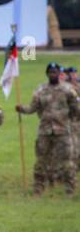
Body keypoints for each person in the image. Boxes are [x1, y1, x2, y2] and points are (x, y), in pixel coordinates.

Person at [16, 62, 80, 195]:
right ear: (47, 74)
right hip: (45, 131)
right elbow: (33, 107)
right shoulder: (41, 90)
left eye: (55, 72)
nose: (53, 74)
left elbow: (75, 109)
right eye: (50, 72)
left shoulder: (68, 90)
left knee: (67, 162)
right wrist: (22, 109)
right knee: (41, 161)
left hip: (63, 131)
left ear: (59, 73)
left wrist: (70, 120)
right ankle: (38, 189)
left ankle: (70, 190)